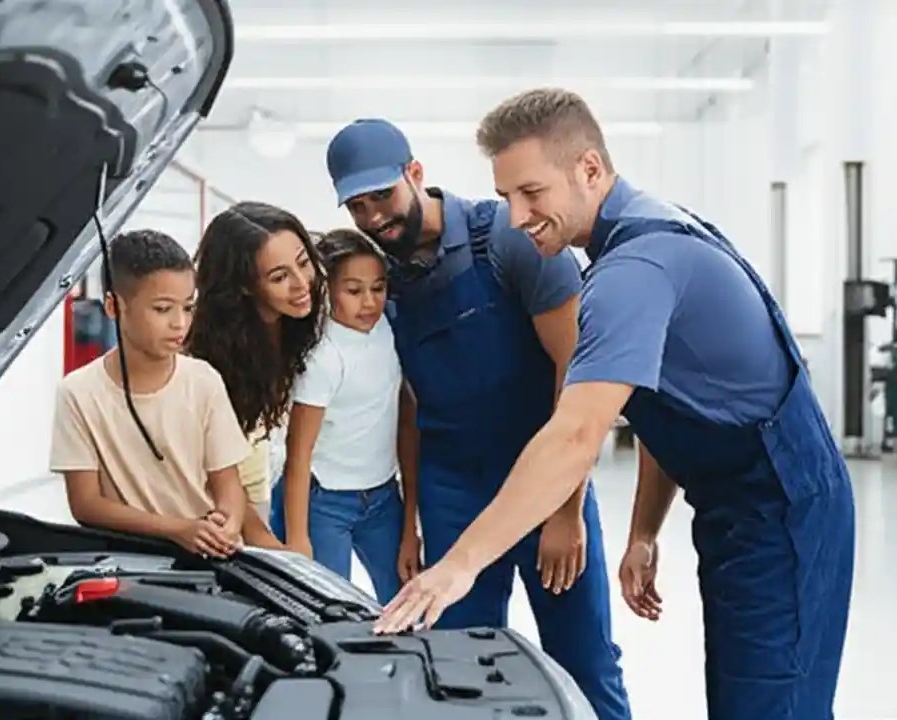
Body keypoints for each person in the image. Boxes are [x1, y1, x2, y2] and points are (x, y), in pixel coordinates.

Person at [373, 88, 857, 720]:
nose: (516, 217)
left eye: (532, 193)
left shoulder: (635, 271)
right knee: (746, 696)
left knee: (773, 704)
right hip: (737, 504)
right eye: (506, 197)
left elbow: (575, 436)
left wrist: (459, 565)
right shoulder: (643, 233)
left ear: (590, 168)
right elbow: (670, 403)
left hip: (779, 506)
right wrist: (645, 531)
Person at [325, 118, 632, 720]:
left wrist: (566, 510)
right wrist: (412, 521)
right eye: (357, 206)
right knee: (457, 665)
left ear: (415, 174)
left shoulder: (508, 241)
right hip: (452, 493)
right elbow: (407, 405)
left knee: (584, 660)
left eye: (382, 196)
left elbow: (577, 371)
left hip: (543, 479)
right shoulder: (379, 283)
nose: (374, 217)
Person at [50, 229, 282, 555]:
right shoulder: (78, 392)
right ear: (114, 306)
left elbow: (228, 484)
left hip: (209, 555)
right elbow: (85, 504)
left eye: (188, 308)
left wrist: (227, 525)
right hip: (131, 561)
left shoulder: (203, 380)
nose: (179, 323)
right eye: (162, 309)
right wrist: (176, 530)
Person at [267, 229, 413, 603]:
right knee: (329, 608)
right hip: (325, 501)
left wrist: (410, 523)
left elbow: (404, 415)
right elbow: (298, 453)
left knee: (406, 601)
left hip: (382, 496)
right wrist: (298, 539)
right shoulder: (322, 357)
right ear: (327, 289)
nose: (369, 302)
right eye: (353, 290)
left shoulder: (388, 326)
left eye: (378, 288)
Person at [184, 202, 324, 545]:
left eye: (303, 262)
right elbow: (214, 470)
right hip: (212, 509)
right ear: (244, 286)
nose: (301, 283)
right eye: (279, 277)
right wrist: (272, 545)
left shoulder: (299, 324)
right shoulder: (209, 361)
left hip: (261, 493)